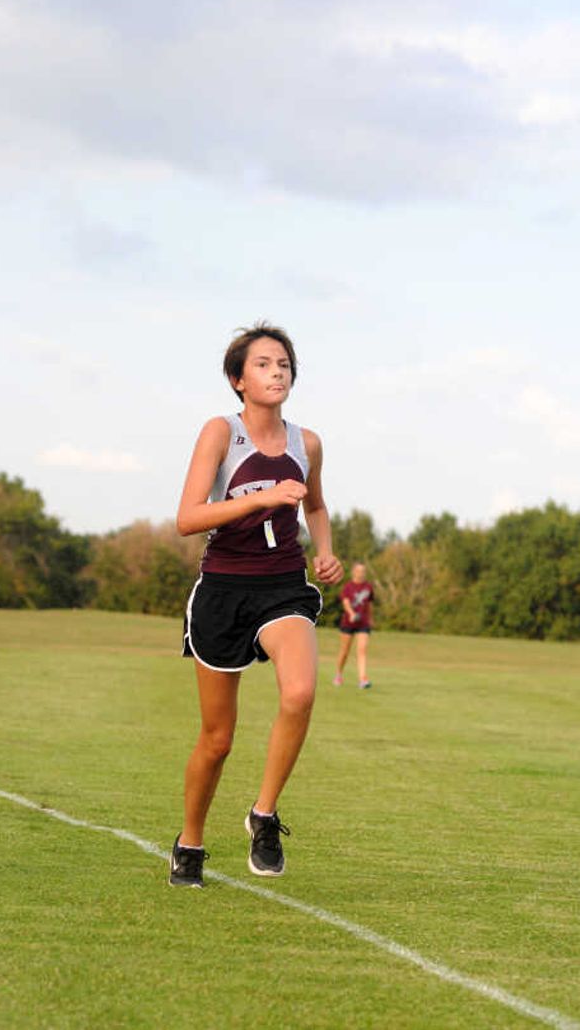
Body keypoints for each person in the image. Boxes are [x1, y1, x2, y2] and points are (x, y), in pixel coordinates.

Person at [169, 322, 343, 888]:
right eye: (265, 364)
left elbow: (314, 507)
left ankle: (263, 815)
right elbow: (188, 519)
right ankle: (190, 842)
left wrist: (326, 552)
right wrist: (264, 497)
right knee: (217, 740)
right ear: (238, 379)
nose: (277, 372)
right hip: (222, 590)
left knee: (300, 691)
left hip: (282, 586)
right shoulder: (221, 432)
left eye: (285, 364)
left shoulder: (306, 442)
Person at [333, 562, 375, 689]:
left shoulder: (368, 587)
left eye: (363, 571)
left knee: (362, 650)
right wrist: (351, 613)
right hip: (348, 622)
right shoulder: (348, 587)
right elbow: (346, 603)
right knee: (345, 651)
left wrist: (371, 618)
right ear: (353, 572)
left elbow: (370, 604)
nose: (362, 573)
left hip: (363, 623)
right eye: (359, 571)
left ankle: (363, 679)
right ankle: (339, 674)